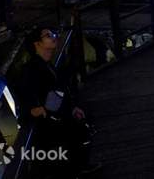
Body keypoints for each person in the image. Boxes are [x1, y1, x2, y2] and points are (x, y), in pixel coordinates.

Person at [11, 27, 95, 176]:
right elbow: (27, 94)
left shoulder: (48, 66)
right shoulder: (31, 69)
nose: (54, 36)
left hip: (55, 114)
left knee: (82, 123)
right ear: (37, 44)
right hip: (47, 122)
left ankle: (80, 166)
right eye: (48, 35)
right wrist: (33, 108)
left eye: (53, 34)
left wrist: (71, 108)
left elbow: (57, 93)